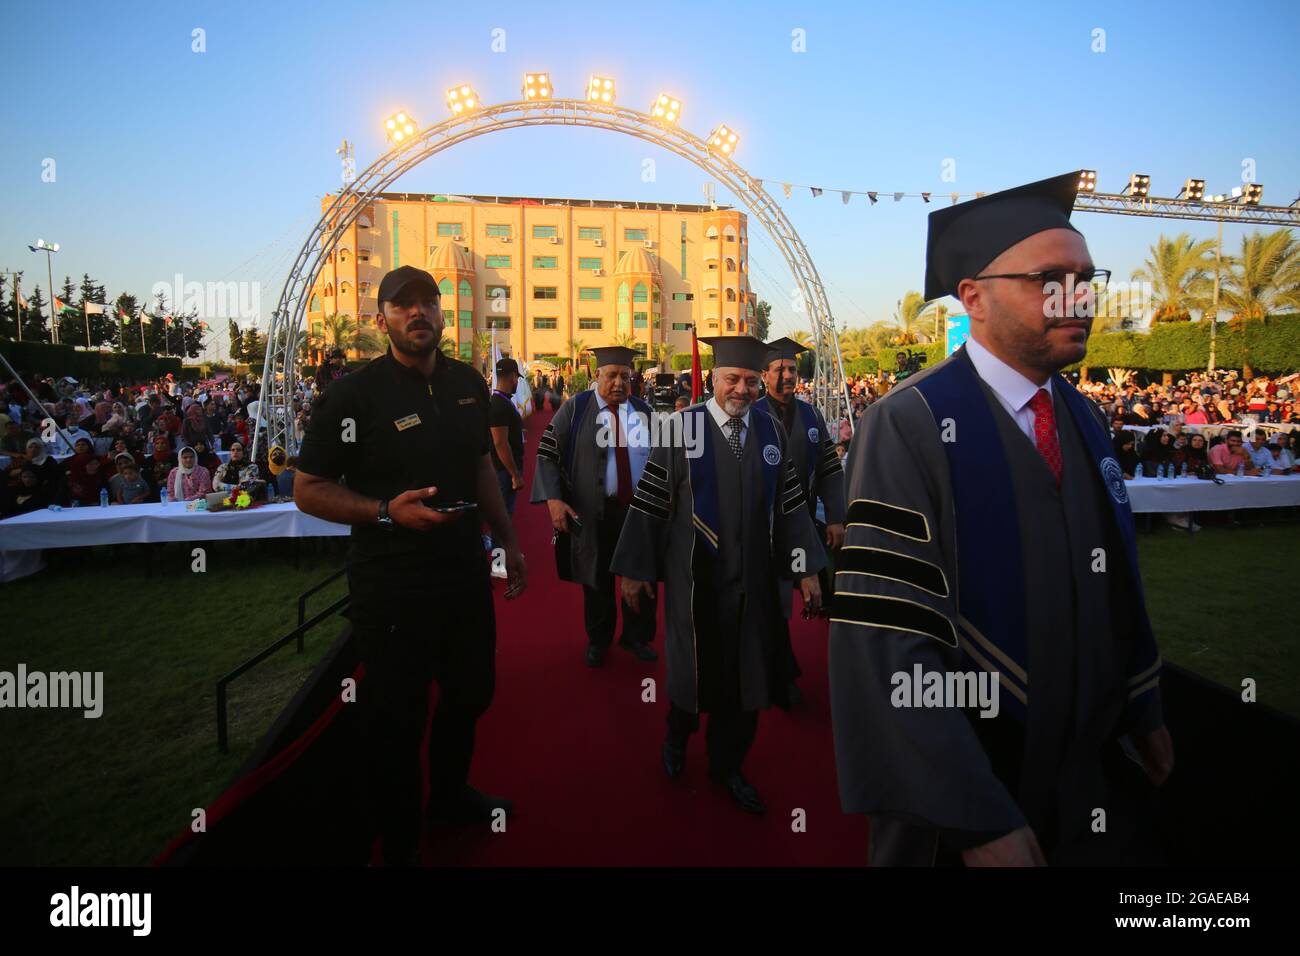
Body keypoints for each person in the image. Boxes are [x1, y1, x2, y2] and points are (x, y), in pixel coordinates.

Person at [830, 171, 1171, 866]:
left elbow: (1118, 580)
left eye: (1086, 277)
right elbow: (890, 636)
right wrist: (972, 812)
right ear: (974, 298)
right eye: (1050, 279)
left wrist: (1145, 705)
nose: (1079, 297)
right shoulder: (909, 422)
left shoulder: (1083, 415)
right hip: (966, 790)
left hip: (1083, 774)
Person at [294, 265, 526, 866]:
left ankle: (448, 798)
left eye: (428, 302)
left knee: (470, 693)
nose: (418, 313)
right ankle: (399, 840)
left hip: (463, 572)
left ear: (444, 314)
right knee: (397, 719)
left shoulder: (469, 384)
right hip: (391, 581)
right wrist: (383, 511)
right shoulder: (352, 395)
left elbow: (481, 469)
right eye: (403, 306)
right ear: (382, 321)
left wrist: (508, 539)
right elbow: (308, 488)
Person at [611, 335, 826, 815]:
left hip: (754, 583)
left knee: (747, 683)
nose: (743, 390)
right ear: (712, 379)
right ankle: (677, 734)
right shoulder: (680, 428)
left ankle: (728, 766)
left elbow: (790, 505)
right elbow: (650, 502)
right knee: (694, 677)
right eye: (733, 379)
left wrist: (806, 567)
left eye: (752, 381)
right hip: (696, 582)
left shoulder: (771, 431)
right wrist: (635, 570)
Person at [533, 345, 658, 667]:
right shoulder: (576, 408)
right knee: (596, 578)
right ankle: (599, 639)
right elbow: (547, 451)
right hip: (592, 512)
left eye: (625, 377)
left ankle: (636, 638)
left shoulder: (644, 412)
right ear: (597, 374)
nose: (619, 383)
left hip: (636, 513)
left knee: (640, 574)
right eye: (612, 375)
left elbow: (664, 462)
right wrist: (554, 499)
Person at [755, 336, 846, 705]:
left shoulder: (811, 415)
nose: (788, 376)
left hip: (806, 520)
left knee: (825, 593)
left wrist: (837, 516)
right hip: (766, 529)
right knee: (775, 605)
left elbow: (828, 467)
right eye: (780, 370)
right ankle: (781, 675)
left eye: (792, 369)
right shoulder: (753, 415)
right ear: (764, 375)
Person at [488, 357, 526, 572]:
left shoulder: (501, 402)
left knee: (503, 517)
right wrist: (514, 474)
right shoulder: (499, 406)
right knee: (501, 519)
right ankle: (498, 564)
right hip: (503, 472)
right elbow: (500, 443)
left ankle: (501, 559)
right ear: (513, 378)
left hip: (503, 470)